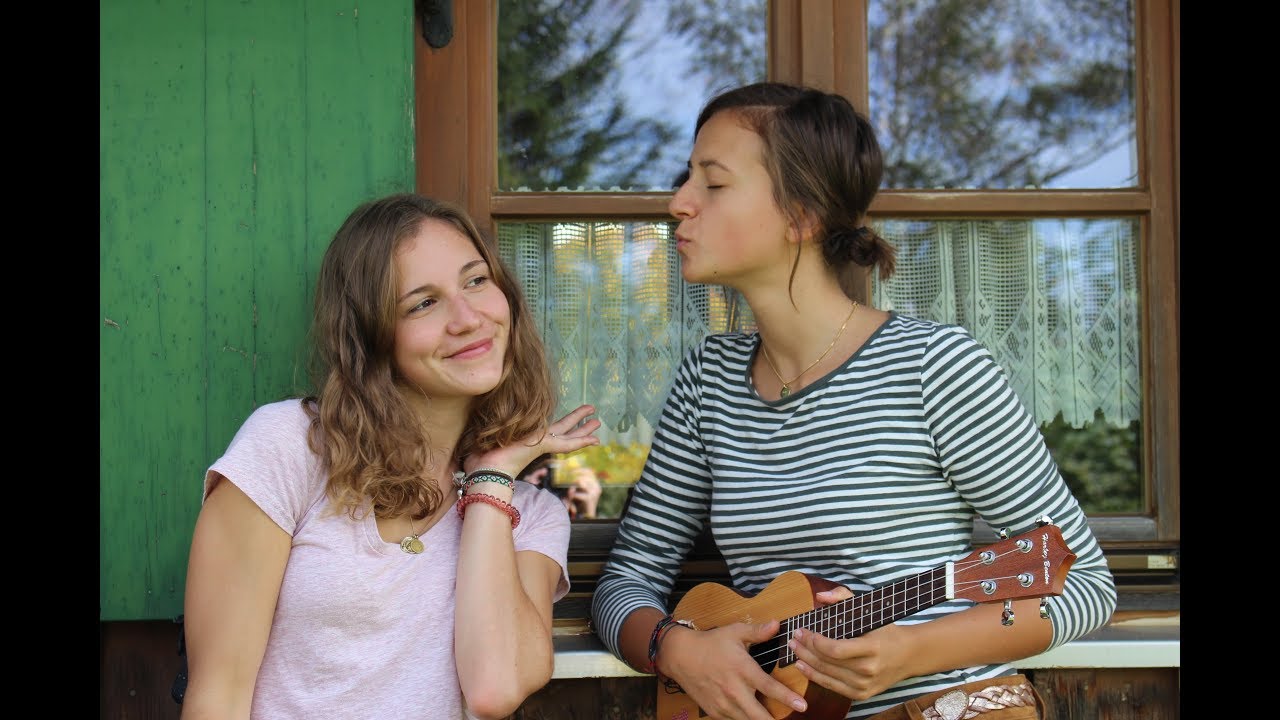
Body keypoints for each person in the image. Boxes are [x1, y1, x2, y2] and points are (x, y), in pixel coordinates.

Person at [589, 82, 1116, 720]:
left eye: (714, 182)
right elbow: (628, 578)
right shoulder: (708, 382)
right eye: (686, 179)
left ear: (802, 216)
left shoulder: (933, 367)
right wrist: (676, 649)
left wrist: (911, 651)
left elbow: (1086, 585)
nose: (679, 202)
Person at [180, 192, 601, 719]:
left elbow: (495, 688)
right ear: (373, 336)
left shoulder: (529, 514)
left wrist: (490, 479)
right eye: (423, 303)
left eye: (476, 281)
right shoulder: (289, 449)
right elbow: (217, 698)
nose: (468, 318)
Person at [518, 453, 603, 520]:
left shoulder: (574, 508)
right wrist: (521, 492)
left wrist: (587, 514)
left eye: (563, 477)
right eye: (545, 478)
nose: (552, 484)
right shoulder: (520, 493)